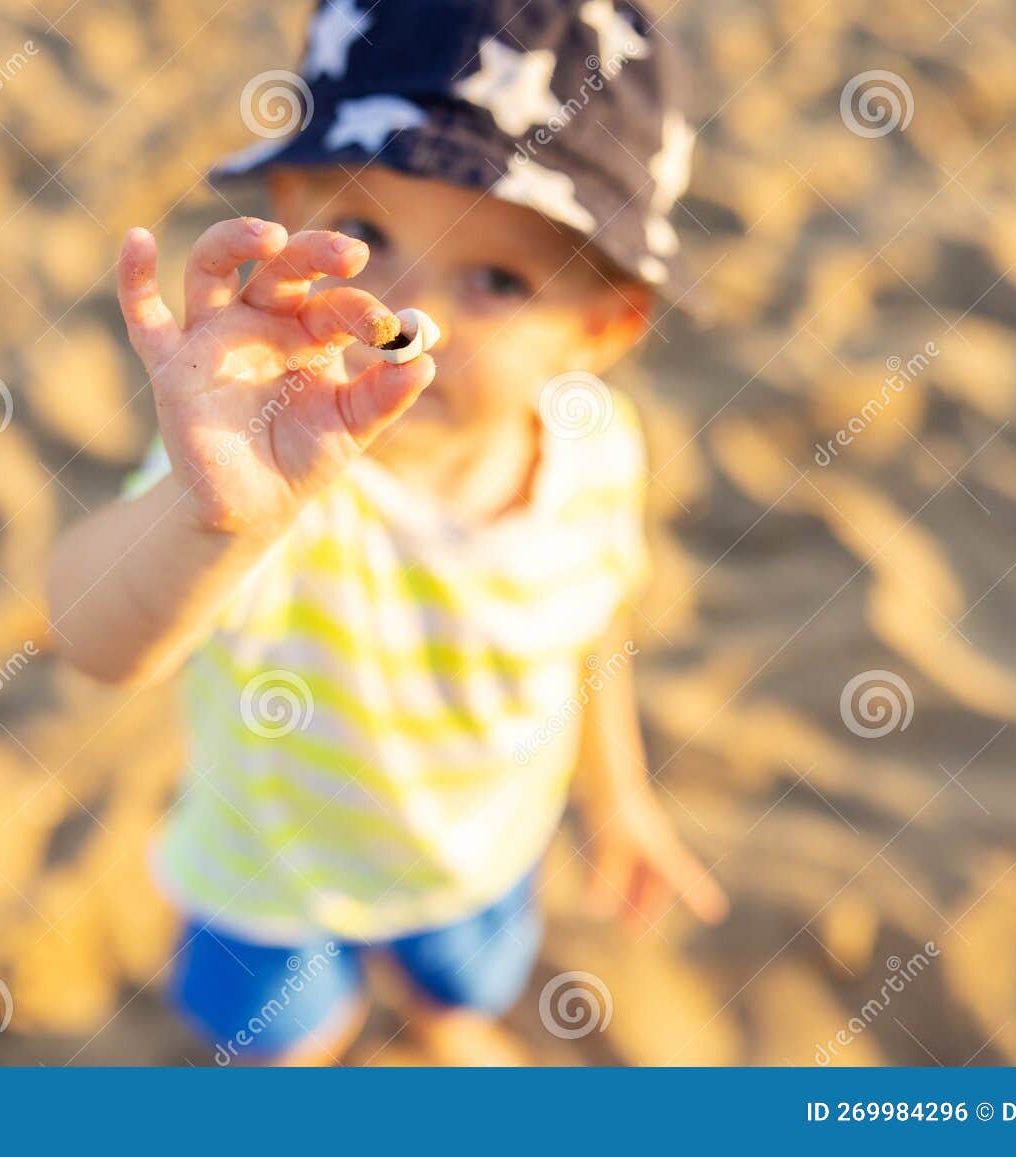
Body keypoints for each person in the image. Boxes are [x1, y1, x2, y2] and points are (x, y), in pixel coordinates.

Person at [48, 0, 726, 1065]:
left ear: (599, 328)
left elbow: (591, 627)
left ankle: (439, 1022)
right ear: (292, 209)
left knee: (458, 986)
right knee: (285, 1040)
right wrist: (206, 517)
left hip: (479, 849)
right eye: (365, 234)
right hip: (270, 872)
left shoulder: (598, 454)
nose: (410, 315)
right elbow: (93, 635)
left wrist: (621, 794)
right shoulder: (269, 461)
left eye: (498, 279)